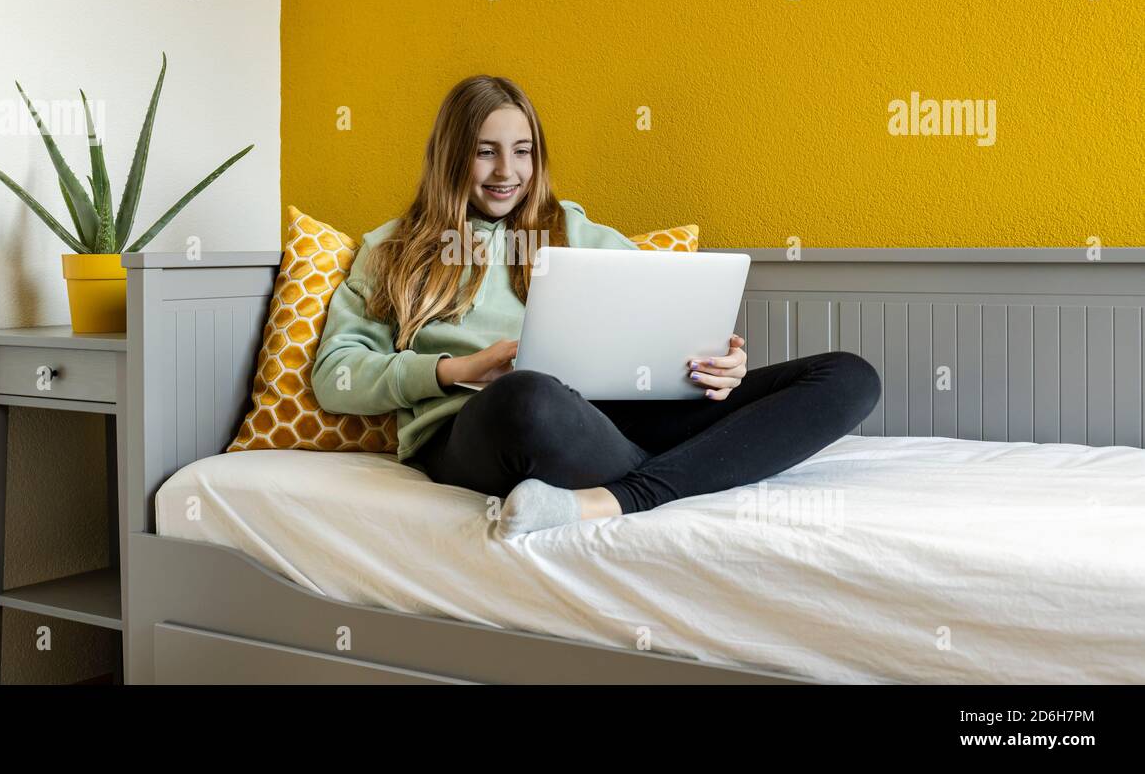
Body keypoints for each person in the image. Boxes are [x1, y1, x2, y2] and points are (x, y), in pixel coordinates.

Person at [311, 75, 881, 537]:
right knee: (527, 393)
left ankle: (616, 498)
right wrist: (458, 369)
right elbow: (336, 377)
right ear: (448, 157)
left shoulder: (569, 228)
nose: (507, 172)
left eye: (522, 152)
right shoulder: (392, 249)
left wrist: (720, 362)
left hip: (614, 419)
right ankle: (700, 464)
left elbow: (664, 311)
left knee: (849, 377)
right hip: (483, 428)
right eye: (485, 153)